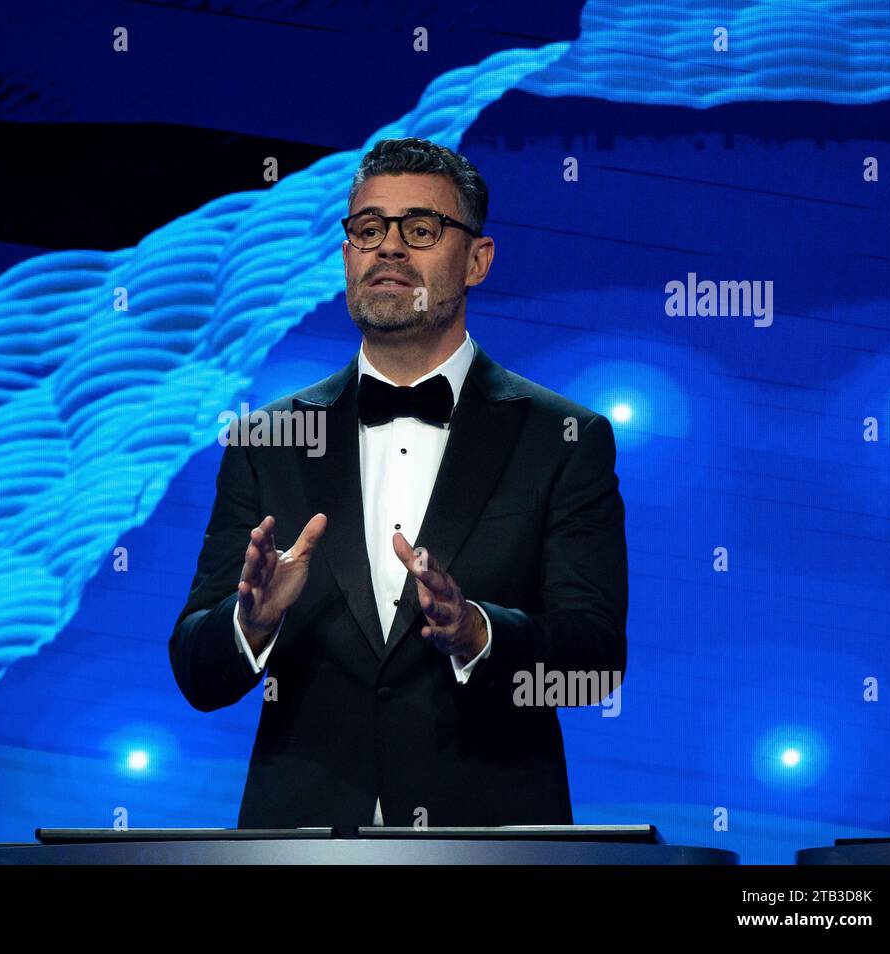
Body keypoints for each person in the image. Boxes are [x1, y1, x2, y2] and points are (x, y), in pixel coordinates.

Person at [169, 137, 628, 830]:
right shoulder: (268, 440)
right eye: (368, 230)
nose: (388, 248)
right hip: (304, 848)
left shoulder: (564, 439)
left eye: (419, 229)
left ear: (477, 259)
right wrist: (251, 623)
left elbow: (595, 665)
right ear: (347, 253)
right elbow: (198, 674)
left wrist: (476, 630)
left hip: (490, 847)